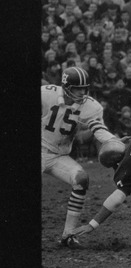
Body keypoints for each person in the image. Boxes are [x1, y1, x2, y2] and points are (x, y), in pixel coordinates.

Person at [42, 66, 117, 246]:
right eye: (77, 88)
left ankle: (68, 234)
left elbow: (98, 131)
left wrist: (113, 142)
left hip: (59, 155)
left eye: (84, 88)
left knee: (81, 179)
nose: (82, 92)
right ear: (66, 87)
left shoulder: (92, 106)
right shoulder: (46, 93)